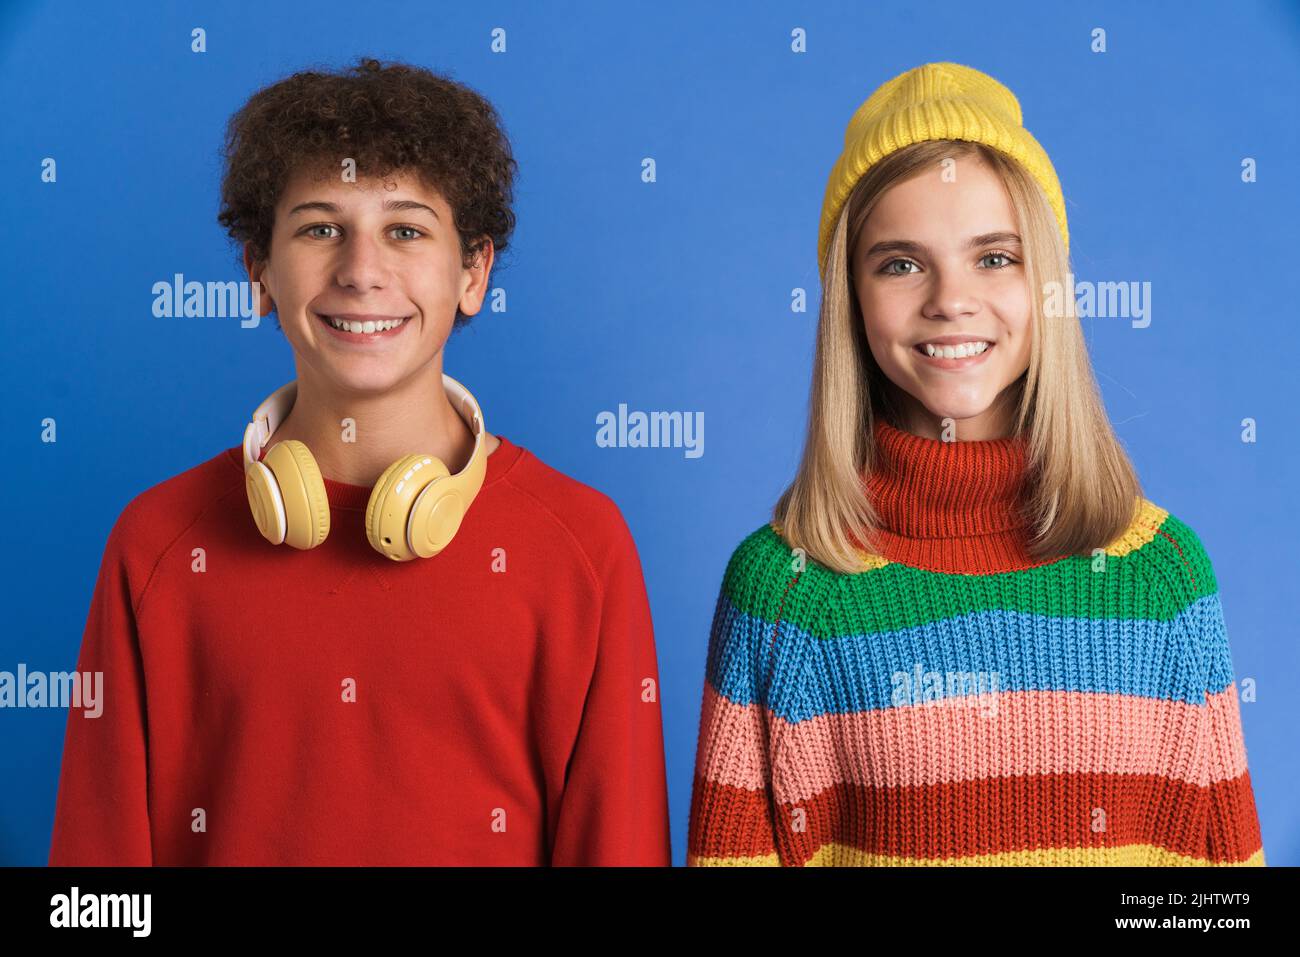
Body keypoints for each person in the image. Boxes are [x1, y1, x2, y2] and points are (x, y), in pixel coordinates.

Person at [48, 57, 671, 866]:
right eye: (318, 228)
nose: (361, 271)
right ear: (259, 271)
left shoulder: (582, 546)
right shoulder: (158, 542)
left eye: (405, 230)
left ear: (473, 272)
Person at [686, 62, 1265, 867]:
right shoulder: (781, 593)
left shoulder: (1164, 579)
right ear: (850, 296)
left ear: (1047, 283)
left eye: (995, 257)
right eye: (900, 262)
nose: (950, 299)